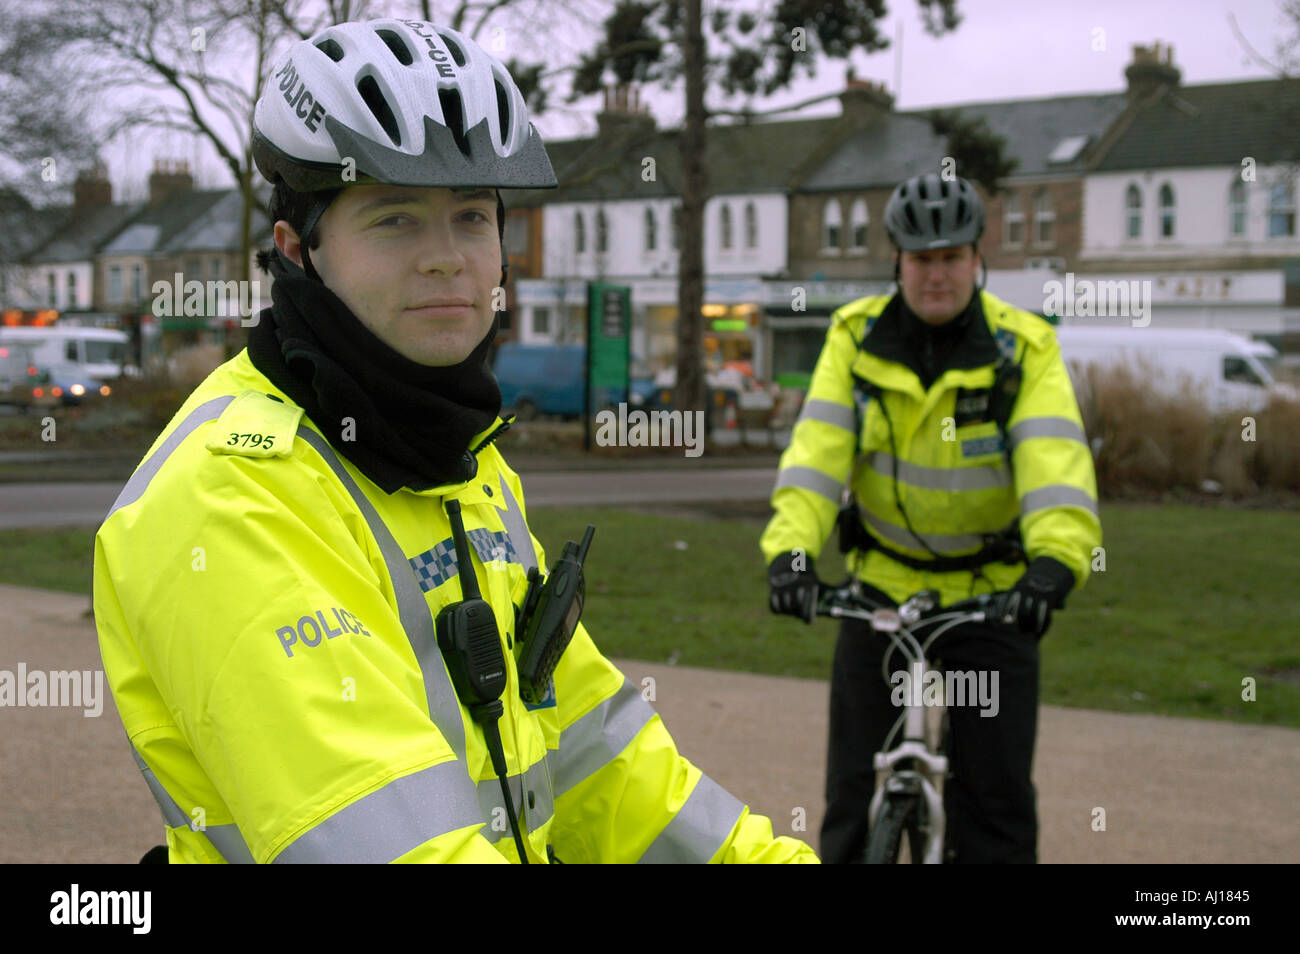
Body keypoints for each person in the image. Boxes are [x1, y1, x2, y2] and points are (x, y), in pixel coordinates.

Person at [94, 17, 817, 865]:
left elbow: (594, 755)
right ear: (298, 251)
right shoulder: (229, 493)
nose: (448, 259)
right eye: (395, 219)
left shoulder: (462, 460)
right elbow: (393, 844)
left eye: (472, 217)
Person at [760, 173, 1101, 863]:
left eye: (951, 257)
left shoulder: (1023, 349)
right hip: (882, 592)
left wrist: (1055, 566)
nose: (936, 274)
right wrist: (792, 553)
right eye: (922, 258)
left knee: (995, 806)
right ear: (898, 263)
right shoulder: (854, 338)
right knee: (853, 799)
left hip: (992, 597)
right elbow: (815, 459)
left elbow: (1054, 466)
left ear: (979, 260)